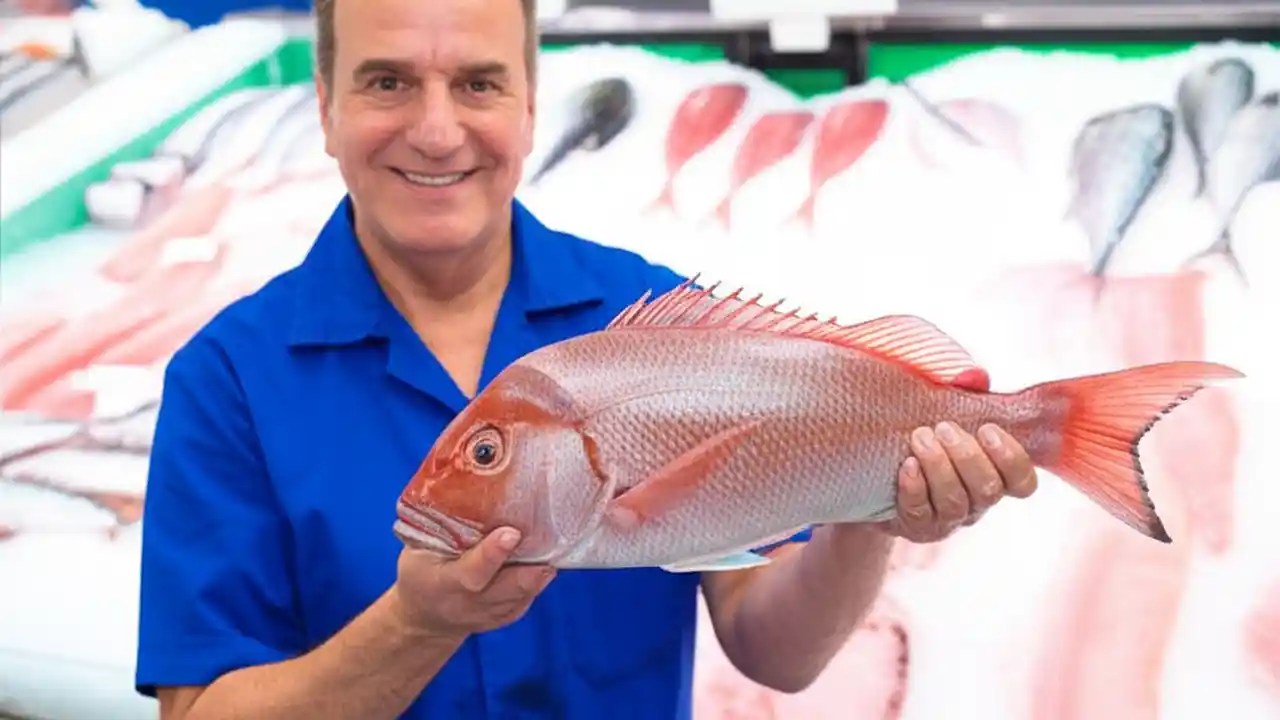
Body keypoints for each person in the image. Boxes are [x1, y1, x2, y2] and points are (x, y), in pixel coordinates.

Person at [133, 0, 1040, 718]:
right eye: (388, 83)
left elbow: (777, 652)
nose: (439, 130)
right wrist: (417, 623)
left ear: (530, 109)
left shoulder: (648, 322)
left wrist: (867, 512)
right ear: (326, 107)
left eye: (480, 85)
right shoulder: (228, 383)